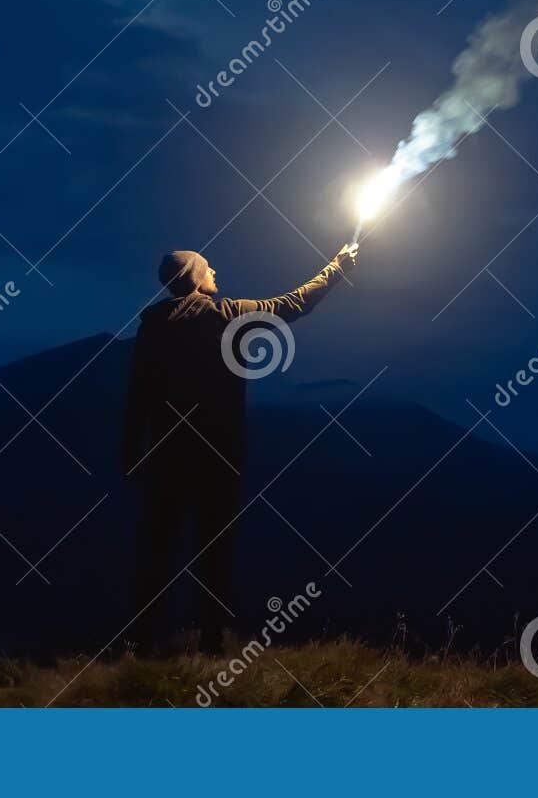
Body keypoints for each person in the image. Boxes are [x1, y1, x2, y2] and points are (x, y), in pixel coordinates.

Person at [121, 243, 359, 654]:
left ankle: (142, 644)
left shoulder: (152, 326)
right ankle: (212, 643)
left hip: (163, 458)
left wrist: (129, 453)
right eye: (207, 266)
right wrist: (336, 268)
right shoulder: (226, 314)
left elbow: (137, 396)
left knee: (156, 550)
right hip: (217, 457)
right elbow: (293, 304)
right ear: (195, 276)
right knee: (214, 551)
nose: (214, 269)